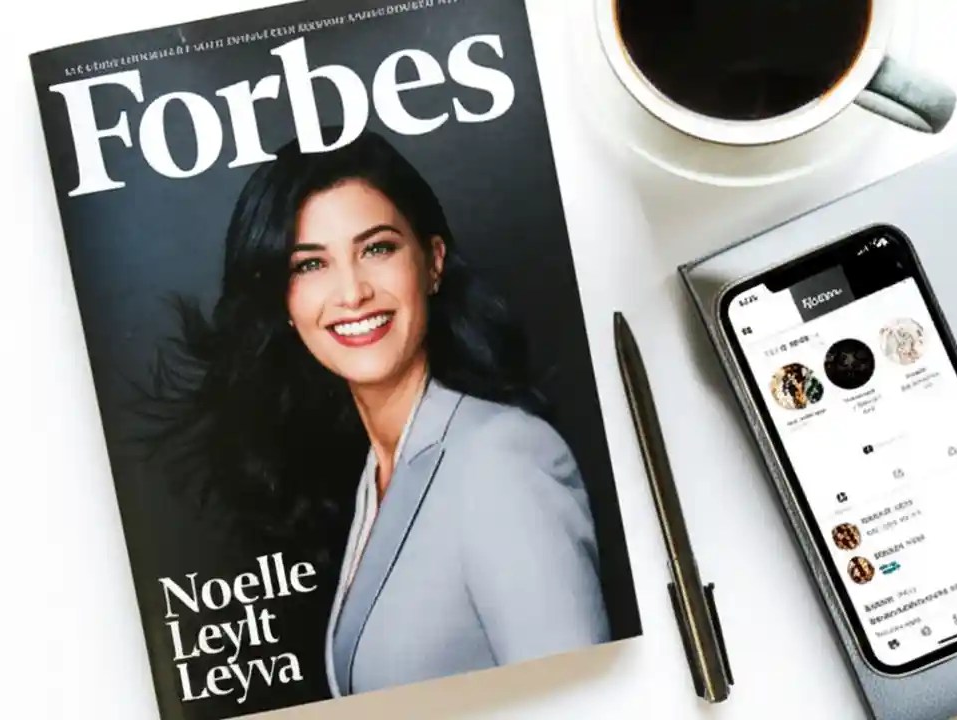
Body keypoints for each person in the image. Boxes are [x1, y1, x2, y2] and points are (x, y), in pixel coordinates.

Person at [145, 130, 610, 695]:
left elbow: (587, 702)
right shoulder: (377, 473)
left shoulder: (501, 457)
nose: (352, 293)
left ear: (433, 262)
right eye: (310, 265)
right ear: (285, 306)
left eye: (377, 248)